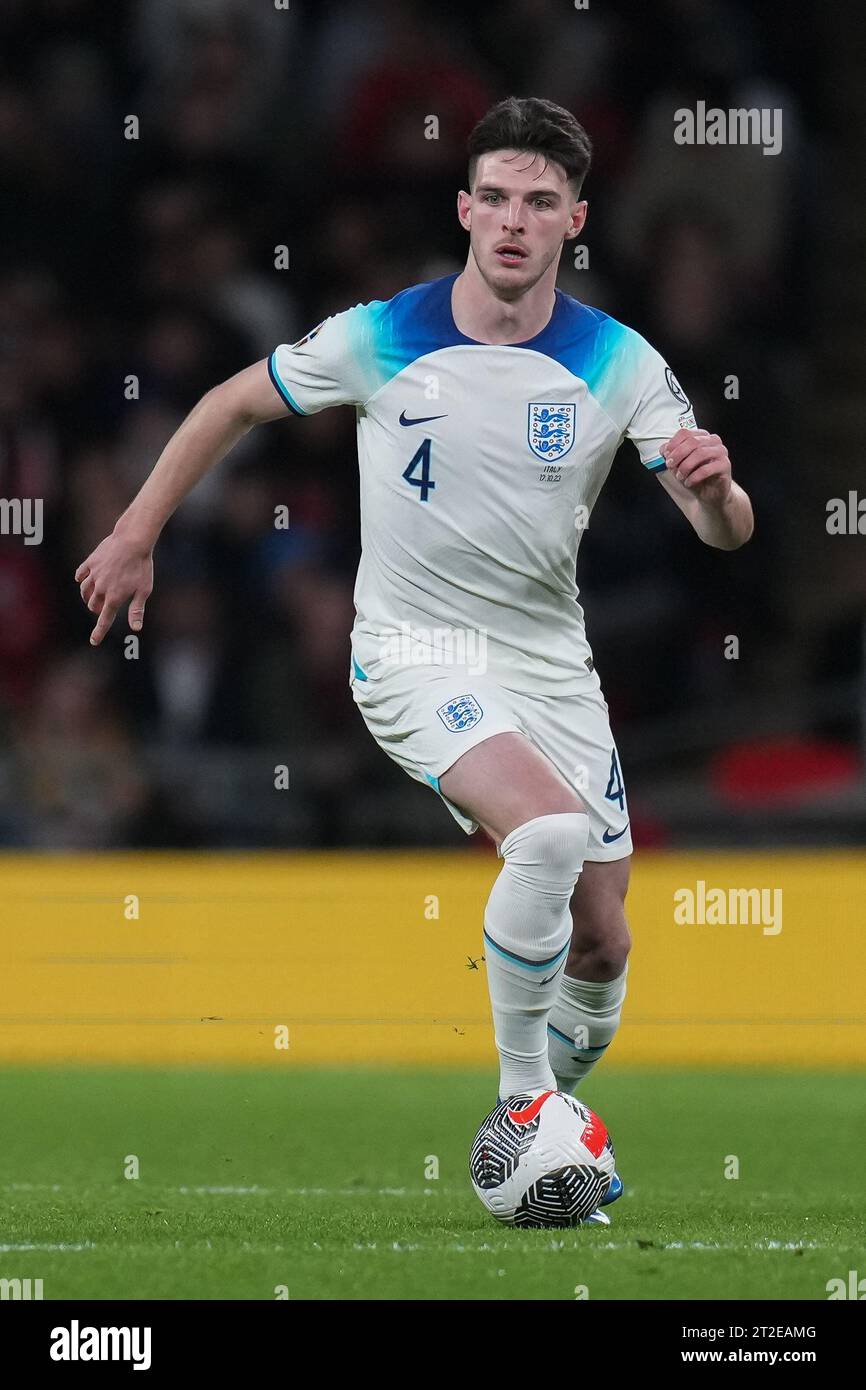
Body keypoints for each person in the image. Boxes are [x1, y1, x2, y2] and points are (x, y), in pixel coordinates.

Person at [75, 96, 753, 1223]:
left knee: (601, 938)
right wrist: (135, 531)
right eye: (493, 197)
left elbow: (723, 534)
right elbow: (227, 403)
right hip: (411, 651)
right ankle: (519, 1105)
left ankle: (556, 1128)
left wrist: (714, 487)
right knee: (540, 830)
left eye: (539, 203)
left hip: (548, 663)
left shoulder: (618, 361)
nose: (512, 222)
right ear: (464, 207)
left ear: (573, 221)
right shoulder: (379, 333)